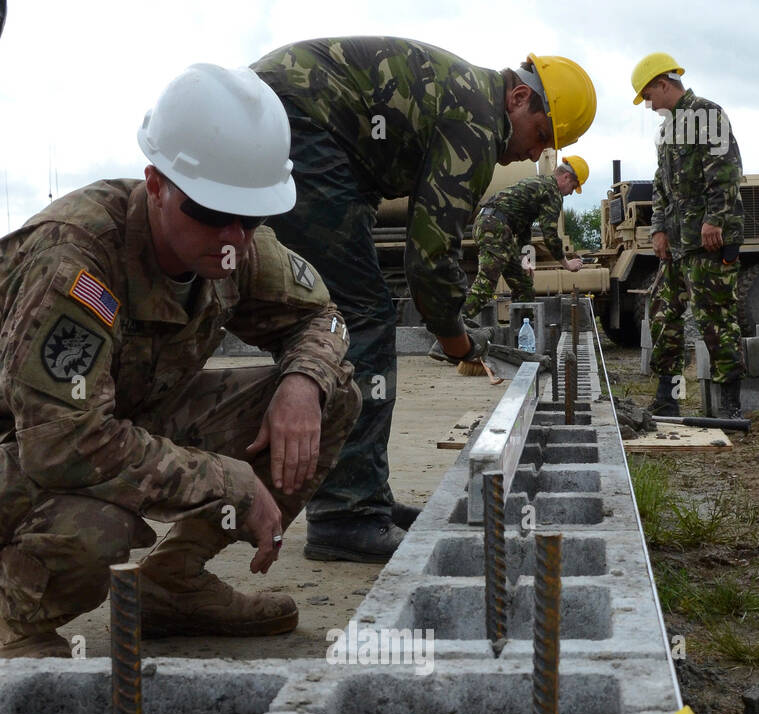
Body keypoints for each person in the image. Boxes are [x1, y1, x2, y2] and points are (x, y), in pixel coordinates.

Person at [0, 65, 360, 659]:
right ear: (157, 184)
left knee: (333, 392)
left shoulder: (233, 238)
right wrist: (228, 481)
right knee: (100, 526)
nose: (234, 237)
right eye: (213, 213)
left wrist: (301, 382)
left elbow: (325, 316)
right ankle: (16, 618)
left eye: (251, 219)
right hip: (27, 447)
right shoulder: (77, 261)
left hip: (115, 424)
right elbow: (63, 445)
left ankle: (171, 586)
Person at [254, 38, 596, 562]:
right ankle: (346, 516)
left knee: (342, 302)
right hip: (293, 118)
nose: (533, 153)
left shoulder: (468, 99)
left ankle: (365, 496)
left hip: (297, 120)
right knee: (362, 316)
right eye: (541, 135)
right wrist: (457, 342)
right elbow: (429, 258)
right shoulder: (478, 124)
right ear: (520, 98)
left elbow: (391, 200)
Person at [631, 51, 745, 418]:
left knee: (715, 320)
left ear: (664, 85)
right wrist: (659, 229)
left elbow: (726, 171)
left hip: (707, 242)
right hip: (677, 246)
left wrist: (714, 219)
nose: (648, 105)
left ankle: (729, 406)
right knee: (665, 318)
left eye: (649, 96)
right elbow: (661, 187)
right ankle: (669, 397)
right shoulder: (666, 130)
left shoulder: (706, 115)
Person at [463, 156, 588, 317]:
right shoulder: (552, 192)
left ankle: (524, 334)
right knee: (486, 285)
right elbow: (549, 233)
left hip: (493, 226)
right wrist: (566, 264)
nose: (571, 192)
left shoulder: (540, 184)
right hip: (494, 227)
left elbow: (524, 228)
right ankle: (455, 329)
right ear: (566, 177)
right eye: (574, 186)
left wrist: (526, 259)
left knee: (523, 285)